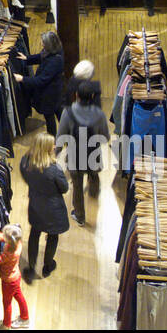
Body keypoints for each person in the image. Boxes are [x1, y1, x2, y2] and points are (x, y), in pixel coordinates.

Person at [56, 80, 109, 226]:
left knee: (77, 186)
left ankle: (79, 216)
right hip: (93, 155)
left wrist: (56, 153)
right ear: (92, 96)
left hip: (75, 157)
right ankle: (94, 194)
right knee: (94, 175)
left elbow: (60, 137)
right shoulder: (98, 114)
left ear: (76, 95)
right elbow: (105, 137)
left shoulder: (68, 112)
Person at [19, 132, 70, 280]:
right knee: (53, 236)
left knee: (35, 234)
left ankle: (31, 266)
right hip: (53, 209)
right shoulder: (54, 169)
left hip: (35, 204)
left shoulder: (25, 161)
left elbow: (25, 177)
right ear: (46, 148)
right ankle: (48, 265)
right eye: (52, 144)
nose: (55, 146)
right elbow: (64, 188)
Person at [17, 29, 65, 133]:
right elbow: (40, 56)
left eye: (43, 43)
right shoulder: (54, 51)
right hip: (54, 92)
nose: (41, 44)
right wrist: (27, 58)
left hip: (50, 94)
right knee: (59, 112)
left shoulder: (55, 61)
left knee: (50, 117)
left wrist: (22, 79)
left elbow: (41, 80)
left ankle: (53, 141)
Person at [0, 222, 29, 327]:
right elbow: (2, 237)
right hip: (15, 277)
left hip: (8, 281)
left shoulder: (10, 252)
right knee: (19, 295)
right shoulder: (17, 243)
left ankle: (6, 325)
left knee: (7, 303)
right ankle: (25, 318)